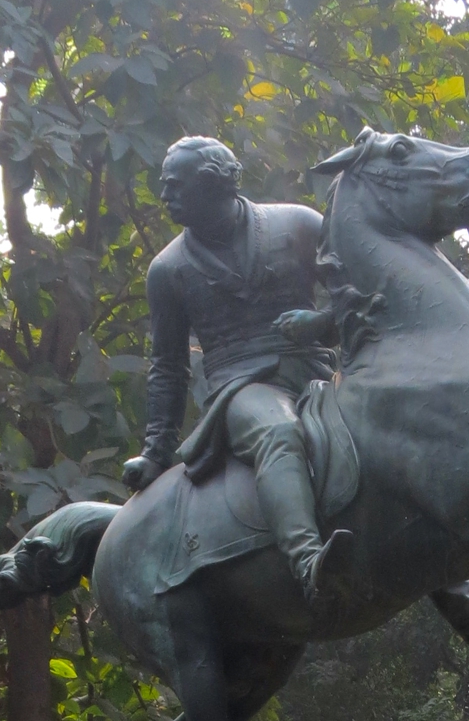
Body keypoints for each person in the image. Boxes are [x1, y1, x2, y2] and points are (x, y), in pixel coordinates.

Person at [121, 136, 351, 603]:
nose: (165, 197)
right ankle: (308, 562)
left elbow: (359, 288)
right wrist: (155, 452)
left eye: (175, 187)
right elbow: (168, 367)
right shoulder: (167, 270)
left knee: (396, 436)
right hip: (240, 389)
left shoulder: (299, 223)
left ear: (213, 185)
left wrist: (324, 322)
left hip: (319, 373)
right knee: (278, 433)